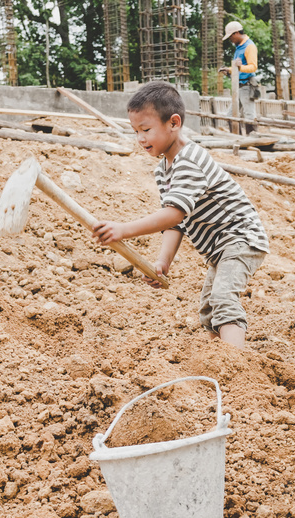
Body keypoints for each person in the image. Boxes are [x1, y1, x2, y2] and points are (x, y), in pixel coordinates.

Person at [90, 82, 269, 349]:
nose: (140, 139)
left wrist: (123, 229)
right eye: (135, 131)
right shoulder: (163, 170)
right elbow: (177, 225)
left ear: (173, 122)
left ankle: (235, 362)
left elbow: (173, 215)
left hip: (240, 238)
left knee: (223, 298)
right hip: (220, 248)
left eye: (146, 130)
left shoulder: (190, 159)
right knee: (209, 309)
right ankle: (218, 355)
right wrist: (162, 262)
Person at [219, 20, 260, 135]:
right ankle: (239, 140)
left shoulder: (249, 46)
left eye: (231, 37)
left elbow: (253, 67)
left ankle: (252, 141)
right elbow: (239, 68)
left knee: (249, 116)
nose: (230, 40)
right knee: (231, 116)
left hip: (247, 86)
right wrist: (229, 70)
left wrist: (240, 67)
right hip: (239, 87)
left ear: (236, 33)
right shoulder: (239, 47)